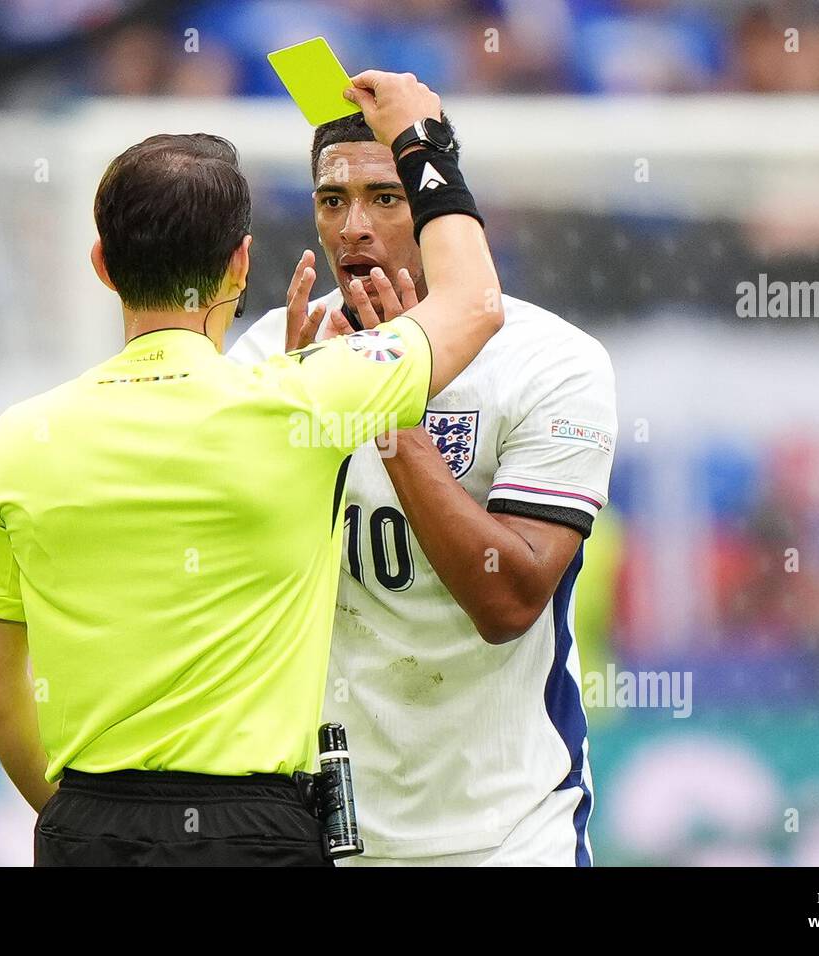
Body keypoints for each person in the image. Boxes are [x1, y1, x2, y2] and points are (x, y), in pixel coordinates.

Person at [0, 70, 503, 865]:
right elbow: (474, 304)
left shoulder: (17, 438)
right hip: (252, 830)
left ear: (103, 265)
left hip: (87, 823)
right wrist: (424, 141)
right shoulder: (308, 400)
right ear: (241, 265)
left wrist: (77, 816)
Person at [229, 110, 618, 866]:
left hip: (509, 828)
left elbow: (507, 602)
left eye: (386, 196)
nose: (353, 228)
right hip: (328, 825)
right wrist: (281, 427)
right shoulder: (268, 360)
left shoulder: (550, 363)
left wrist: (391, 416)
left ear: (439, 212)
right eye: (332, 201)